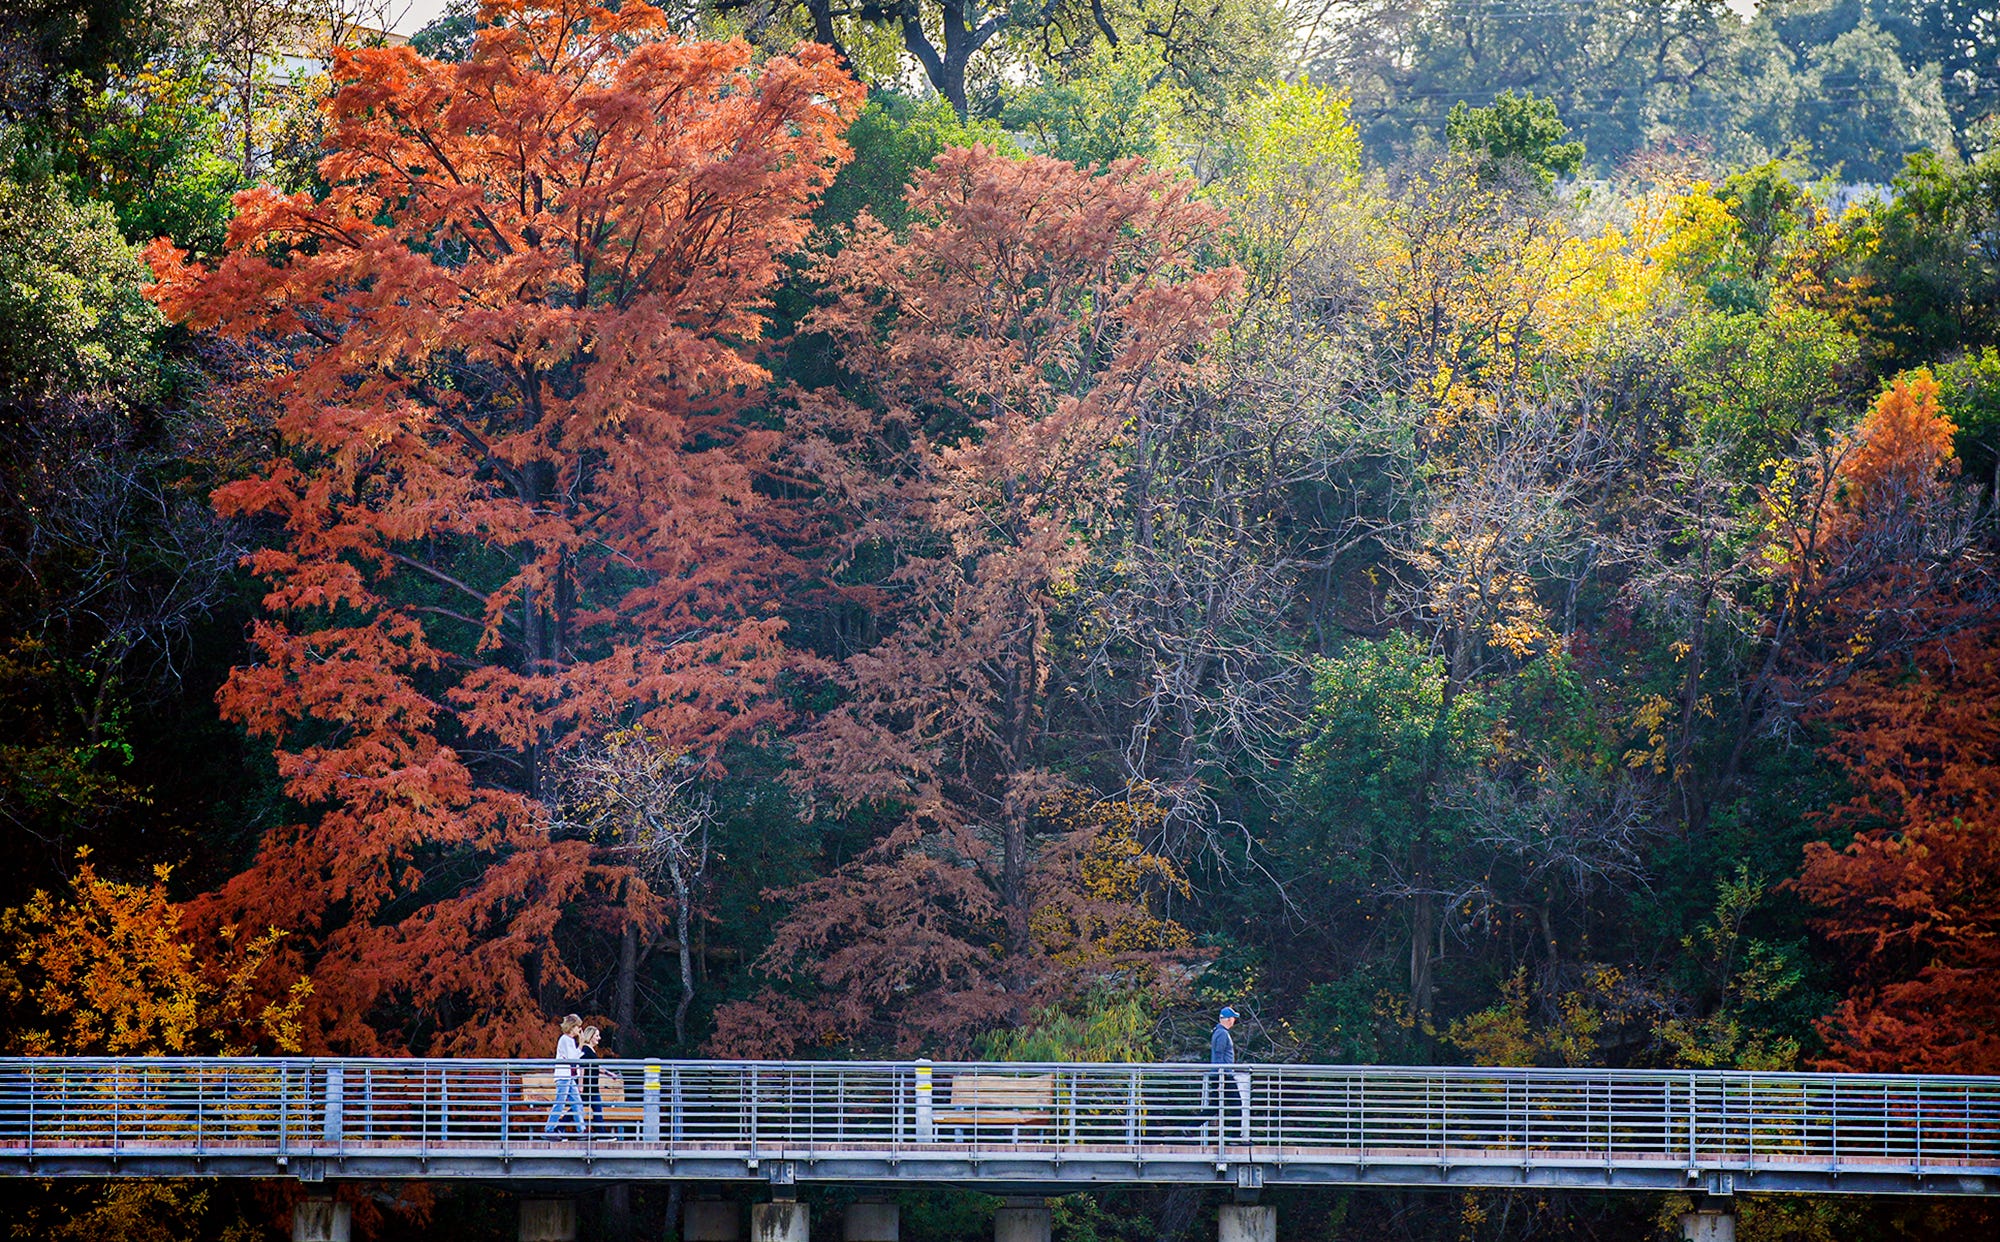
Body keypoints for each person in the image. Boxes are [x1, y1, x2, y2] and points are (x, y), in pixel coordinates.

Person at [1209, 1005, 1251, 1142]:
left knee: (1214, 1107)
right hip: (1224, 1075)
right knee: (1236, 1105)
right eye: (1233, 1018)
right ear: (1228, 1019)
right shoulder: (1222, 1033)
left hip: (1220, 1075)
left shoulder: (1218, 1031)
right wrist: (1222, 1078)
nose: (1234, 1021)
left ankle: (1190, 1127)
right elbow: (1220, 1055)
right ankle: (1234, 1137)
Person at [542, 1014, 586, 1138]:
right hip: (564, 1077)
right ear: (572, 1027)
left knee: (577, 1103)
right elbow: (572, 1058)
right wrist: (581, 1045)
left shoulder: (569, 1040)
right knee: (560, 1103)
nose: (579, 1030)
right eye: (578, 1027)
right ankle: (549, 1130)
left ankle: (581, 1130)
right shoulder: (565, 1039)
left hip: (570, 1077)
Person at [579, 1025, 604, 1135]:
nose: (599, 1038)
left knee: (596, 1109)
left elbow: (596, 1068)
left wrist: (609, 1073)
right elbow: (581, 1067)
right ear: (590, 1036)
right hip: (588, 1087)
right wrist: (580, 1086)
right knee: (578, 1108)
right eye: (597, 1036)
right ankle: (601, 1134)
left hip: (592, 1087)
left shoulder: (591, 1051)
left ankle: (601, 1133)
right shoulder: (585, 1050)